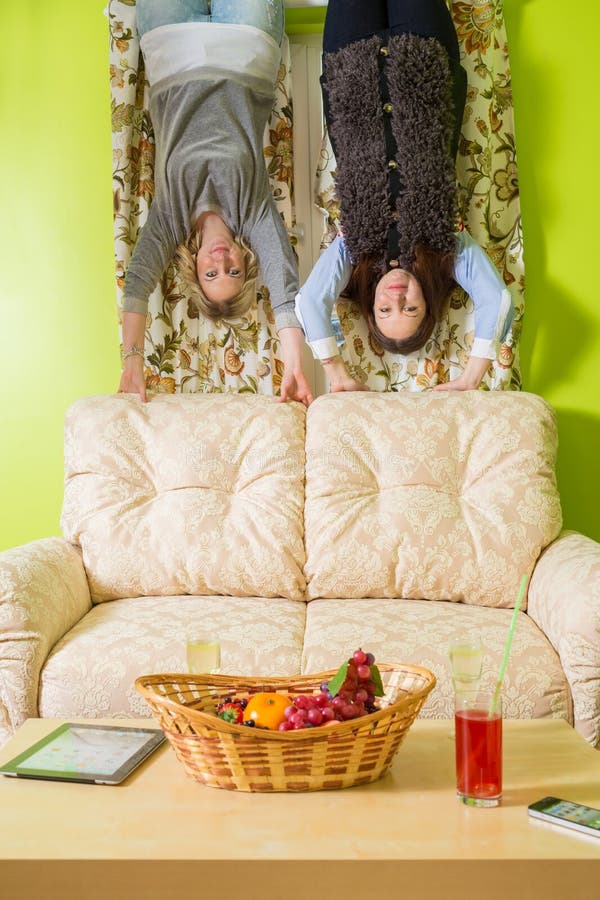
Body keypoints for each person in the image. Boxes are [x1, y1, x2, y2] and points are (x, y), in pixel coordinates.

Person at [294, 0, 514, 393]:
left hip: (351, 64)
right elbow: (495, 299)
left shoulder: (354, 254)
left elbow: (309, 301)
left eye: (384, 309)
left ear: (370, 304)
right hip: (423, 55)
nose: (397, 297)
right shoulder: (446, 250)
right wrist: (469, 379)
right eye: (410, 308)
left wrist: (338, 375)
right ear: (428, 303)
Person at [117, 0, 313, 406]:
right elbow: (284, 285)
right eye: (234, 270)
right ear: (245, 260)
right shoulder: (252, 210)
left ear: (196, 269)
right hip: (247, 44)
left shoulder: (171, 218)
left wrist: (132, 361)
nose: (221, 260)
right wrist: (294, 362)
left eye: (212, 274)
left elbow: (137, 280)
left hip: (169, 46)